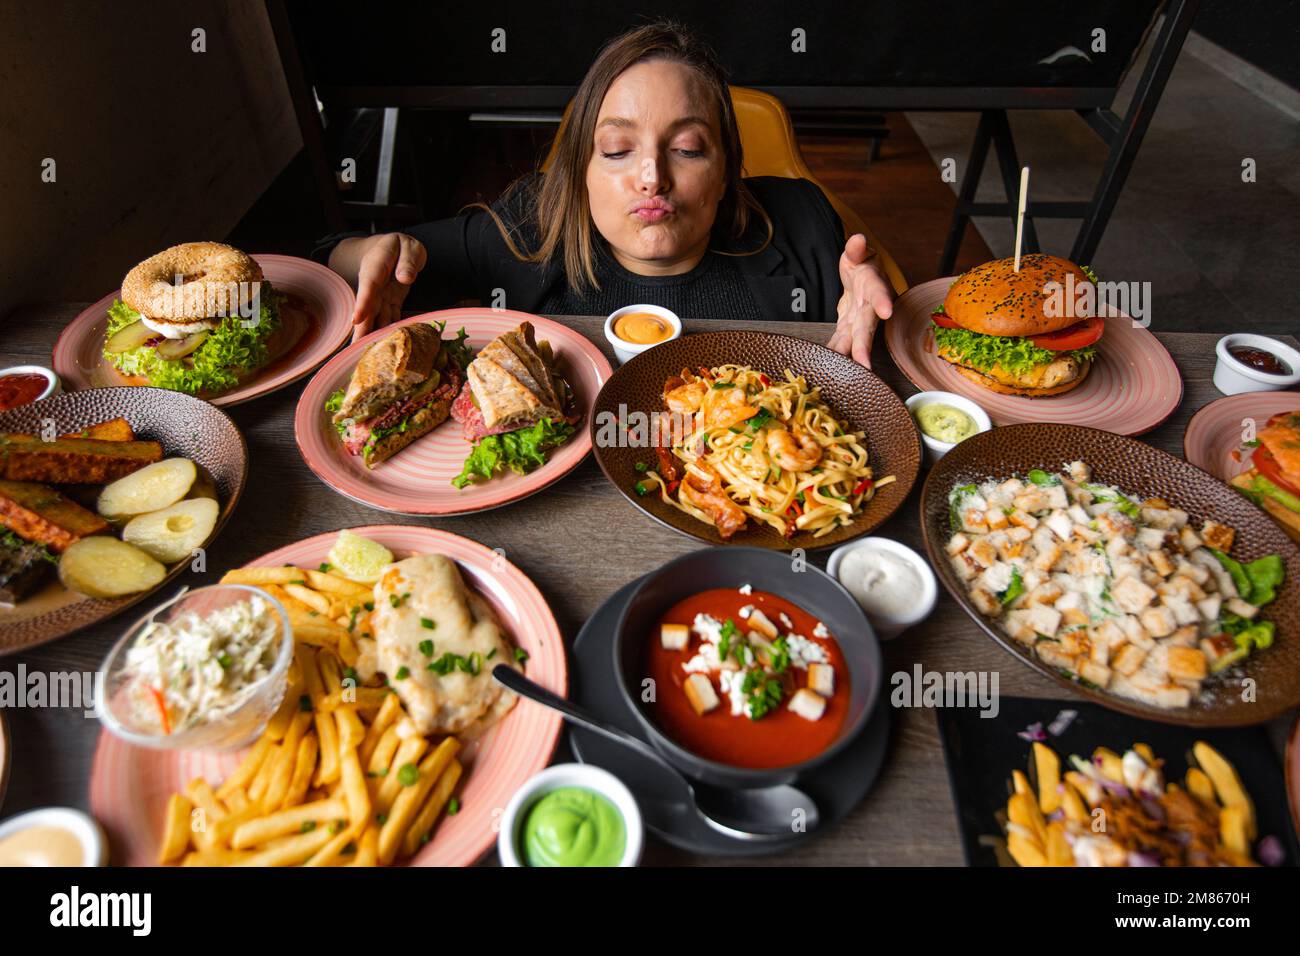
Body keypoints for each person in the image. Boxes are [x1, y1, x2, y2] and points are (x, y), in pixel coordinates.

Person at [321, 20, 894, 366]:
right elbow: (335, 257)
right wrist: (371, 253)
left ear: (726, 171)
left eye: (689, 149)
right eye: (617, 150)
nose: (651, 177)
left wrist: (879, 318)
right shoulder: (529, 224)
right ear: (580, 170)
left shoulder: (802, 222)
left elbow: (872, 357)